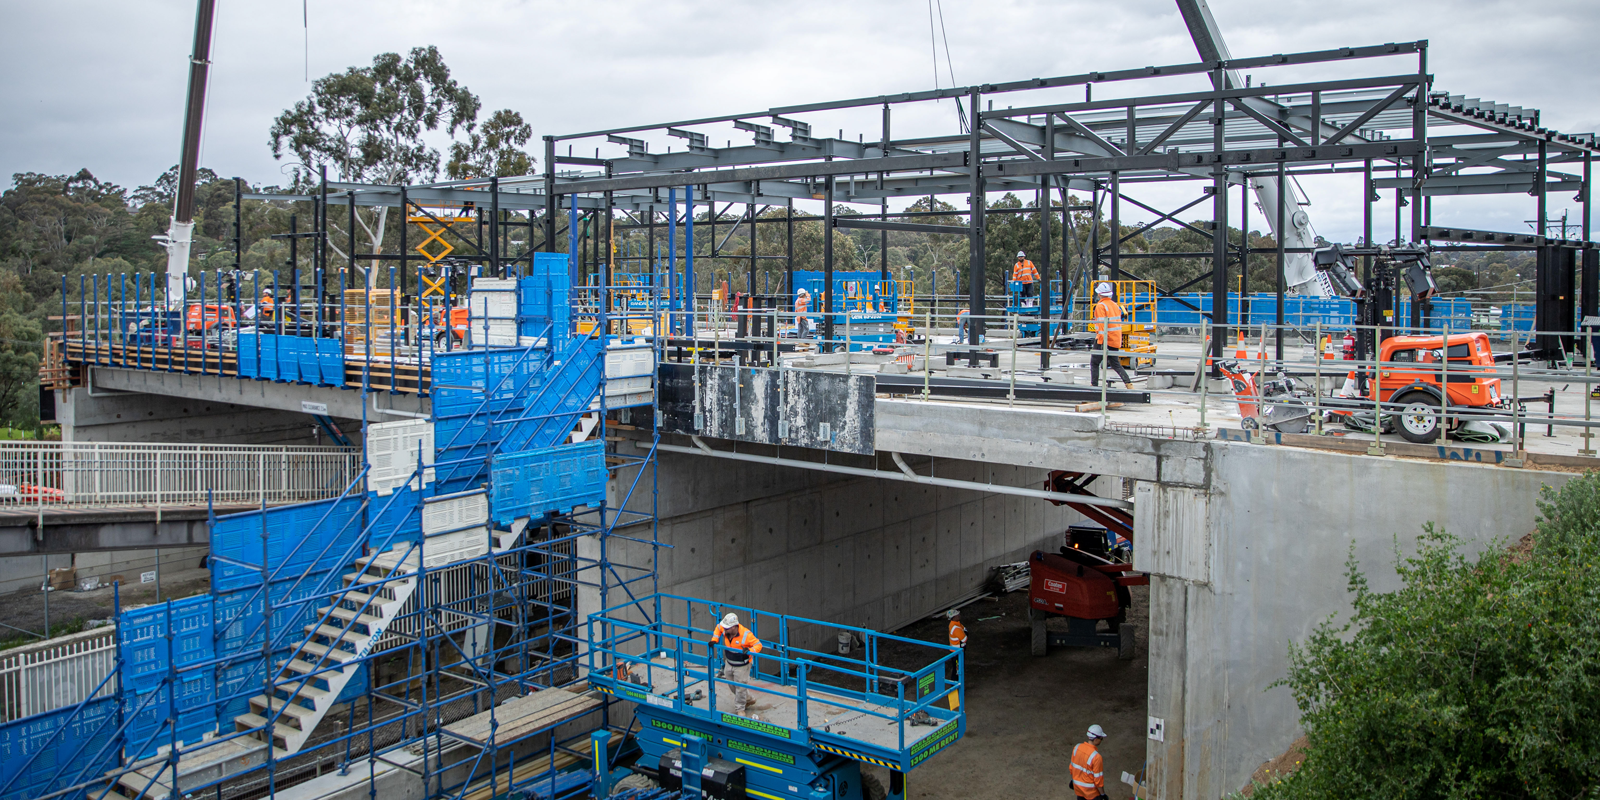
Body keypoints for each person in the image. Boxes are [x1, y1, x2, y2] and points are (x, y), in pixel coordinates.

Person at [708, 612, 764, 716]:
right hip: (729, 662)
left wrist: (750, 651)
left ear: (734, 627)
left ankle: (740, 709)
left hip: (742, 665)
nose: (724, 630)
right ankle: (748, 699)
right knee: (732, 685)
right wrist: (714, 639)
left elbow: (758, 645)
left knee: (740, 687)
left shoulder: (746, 634)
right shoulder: (725, 628)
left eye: (727, 628)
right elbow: (718, 628)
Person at [1090, 282, 1133, 389]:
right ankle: (1128, 384)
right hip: (1115, 339)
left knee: (1094, 362)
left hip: (1104, 339)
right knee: (1115, 363)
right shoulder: (1115, 305)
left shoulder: (1100, 306)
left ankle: (1094, 386)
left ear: (1099, 294)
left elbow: (1101, 325)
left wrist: (1100, 341)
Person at [1070, 725, 1109, 800]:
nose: (1101, 741)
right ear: (1096, 739)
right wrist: (1103, 794)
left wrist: (1073, 780)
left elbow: (1072, 768)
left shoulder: (1077, 748)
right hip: (1092, 794)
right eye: (1101, 739)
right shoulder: (1096, 757)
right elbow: (1098, 781)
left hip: (1079, 790)